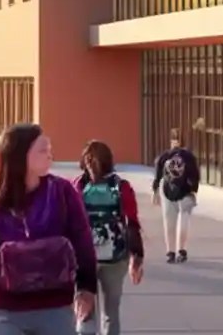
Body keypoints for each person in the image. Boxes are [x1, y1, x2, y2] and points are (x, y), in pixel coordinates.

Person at [0, 123, 97, 335]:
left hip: (56, 310)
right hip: (6, 314)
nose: (50, 155)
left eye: (50, 149)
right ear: (20, 155)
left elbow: (83, 241)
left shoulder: (63, 193)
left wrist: (87, 287)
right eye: (43, 150)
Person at [73, 140, 144, 335]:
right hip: (115, 257)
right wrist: (136, 257)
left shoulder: (77, 186)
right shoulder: (121, 187)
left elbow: (67, 224)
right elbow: (132, 223)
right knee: (111, 313)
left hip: (84, 259)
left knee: (84, 311)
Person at [151, 128, 199, 264]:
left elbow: (158, 175)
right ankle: (181, 250)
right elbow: (195, 175)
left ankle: (170, 251)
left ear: (171, 141)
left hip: (168, 191)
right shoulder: (189, 156)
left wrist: (155, 190)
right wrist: (194, 190)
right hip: (185, 192)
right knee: (184, 219)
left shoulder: (165, 156)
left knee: (169, 221)